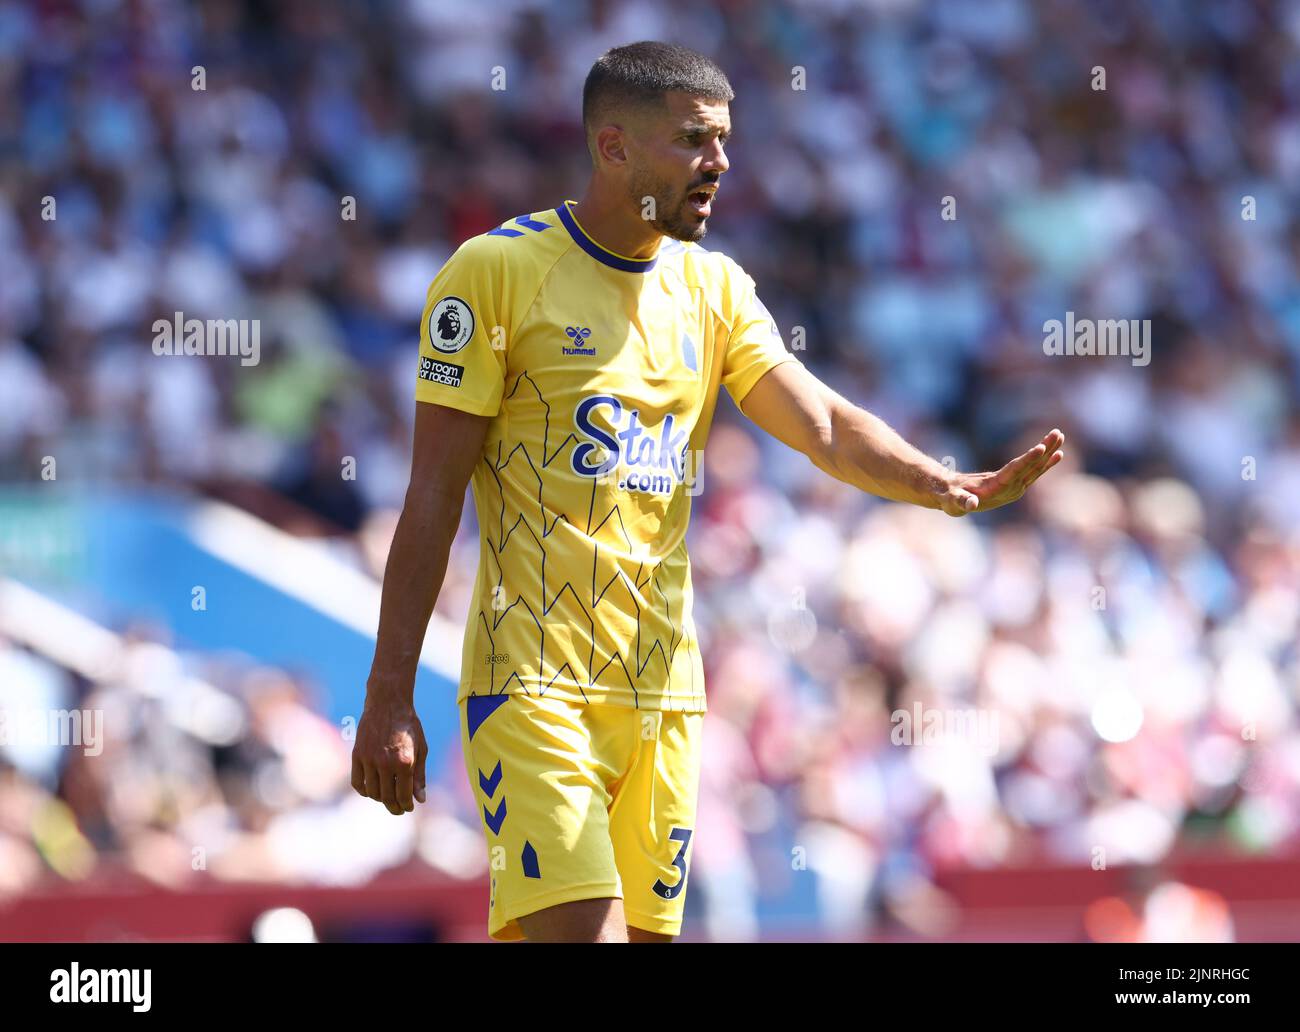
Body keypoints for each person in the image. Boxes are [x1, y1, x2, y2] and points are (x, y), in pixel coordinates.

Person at [350, 40, 1064, 943]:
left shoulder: (713, 287)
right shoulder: (494, 276)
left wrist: (941, 482)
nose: (720, 164)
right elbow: (431, 496)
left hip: (667, 692)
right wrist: (387, 695)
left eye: (723, 141)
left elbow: (828, 427)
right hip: (533, 685)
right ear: (612, 148)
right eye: (694, 140)